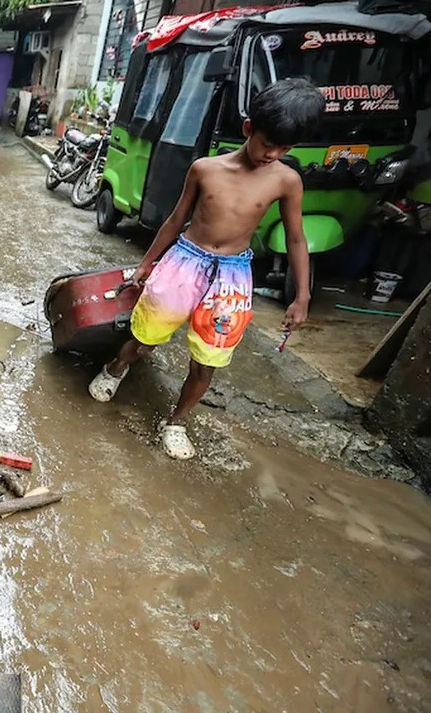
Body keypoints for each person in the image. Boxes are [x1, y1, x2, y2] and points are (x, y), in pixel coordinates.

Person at [87, 77, 325, 460]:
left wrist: (302, 296)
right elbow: (175, 218)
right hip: (184, 262)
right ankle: (116, 368)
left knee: (209, 357)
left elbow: (297, 239)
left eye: (284, 148)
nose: (272, 154)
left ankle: (177, 421)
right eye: (267, 143)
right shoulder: (205, 169)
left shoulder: (287, 181)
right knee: (147, 334)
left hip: (231, 278)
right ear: (249, 129)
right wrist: (147, 264)